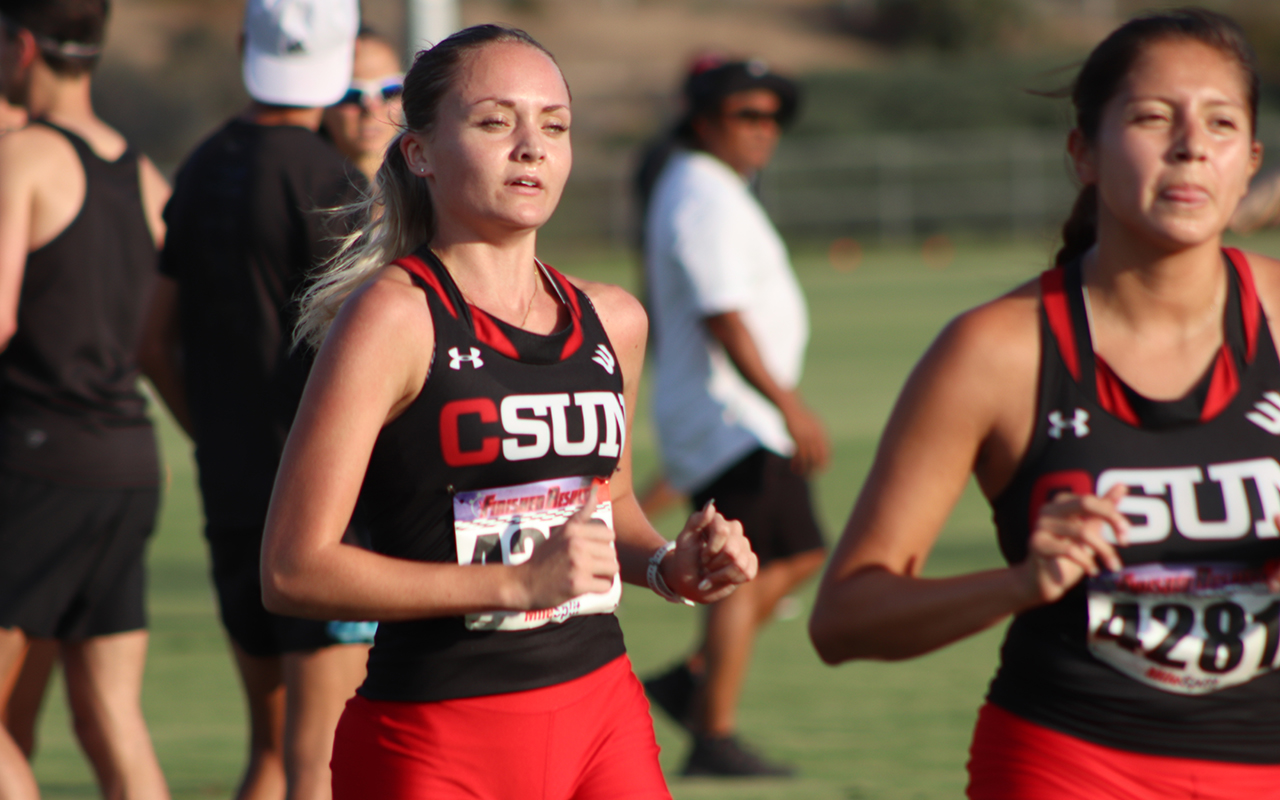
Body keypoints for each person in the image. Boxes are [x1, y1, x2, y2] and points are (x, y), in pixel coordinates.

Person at [259, 24, 759, 800]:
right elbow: (293, 569)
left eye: (554, 126)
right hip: (437, 735)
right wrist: (513, 586)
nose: (532, 146)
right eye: (496, 121)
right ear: (419, 151)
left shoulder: (613, 319)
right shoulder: (392, 319)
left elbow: (608, 503)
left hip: (602, 716)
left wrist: (668, 566)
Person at [810, 9, 1280, 799]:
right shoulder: (995, 350)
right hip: (1069, 765)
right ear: (1082, 154)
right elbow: (846, 619)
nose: (1191, 144)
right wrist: (1020, 583)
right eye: (1151, 117)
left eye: (1221, 122)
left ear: (1249, 162)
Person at [138, 1, 366, 798]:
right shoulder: (328, 177)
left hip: (231, 489)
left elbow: (152, 340)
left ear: (245, 46)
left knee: (270, 752)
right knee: (318, 754)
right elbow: (374, 343)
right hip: (319, 505)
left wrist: (214, 435)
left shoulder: (202, 163)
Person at [639, 57, 829, 776]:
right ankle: (712, 731)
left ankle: (692, 681)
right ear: (703, 121)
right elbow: (723, 313)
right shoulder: (700, 191)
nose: (763, 130)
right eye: (746, 116)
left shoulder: (715, 188)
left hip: (742, 417)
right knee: (744, 568)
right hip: (731, 416)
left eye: (771, 117)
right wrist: (789, 404)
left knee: (796, 552)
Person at [0, 1, 170, 797]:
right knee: (110, 717)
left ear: (23, 46)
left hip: (38, 465)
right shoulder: (141, 171)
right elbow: (164, 332)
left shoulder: (22, 157)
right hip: (128, 466)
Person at [321, 27, 404, 185]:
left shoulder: (432, 192)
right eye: (352, 94)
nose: (371, 109)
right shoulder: (299, 192)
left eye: (389, 91)